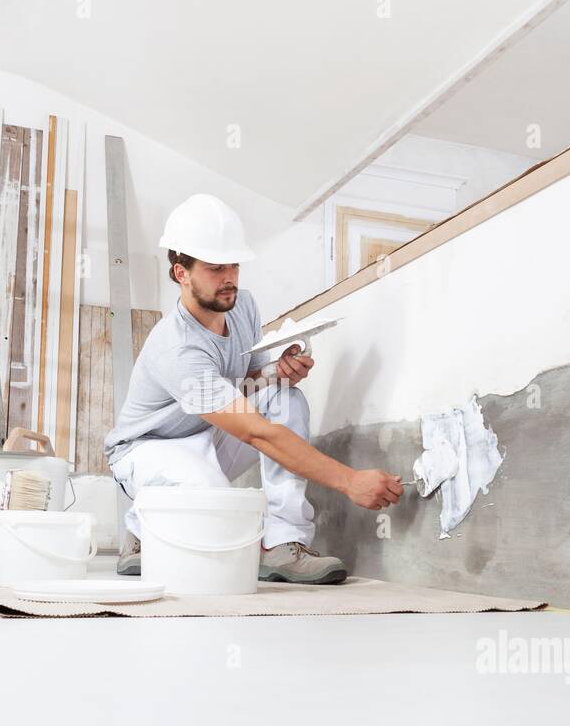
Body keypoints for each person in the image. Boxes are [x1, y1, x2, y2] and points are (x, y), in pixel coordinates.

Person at [104, 193, 403, 583]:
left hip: (206, 431)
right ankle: (143, 529)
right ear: (181, 273)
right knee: (212, 499)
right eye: (215, 268)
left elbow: (244, 383)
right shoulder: (177, 348)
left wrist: (276, 372)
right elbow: (256, 432)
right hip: (146, 450)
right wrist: (350, 481)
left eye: (234, 264)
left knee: (285, 397)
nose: (229, 277)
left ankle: (282, 542)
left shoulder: (241, 306)